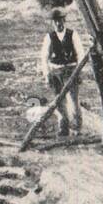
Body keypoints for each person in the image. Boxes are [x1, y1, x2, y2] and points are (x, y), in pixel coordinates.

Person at [38, 8, 85, 136]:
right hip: (55, 71)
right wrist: (47, 74)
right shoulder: (49, 37)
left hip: (71, 70)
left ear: (64, 20)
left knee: (74, 100)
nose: (58, 23)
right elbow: (44, 57)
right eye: (56, 21)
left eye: (60, 20)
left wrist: (79, 71)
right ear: (53, 23)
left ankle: (76, 128)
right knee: (59, 101)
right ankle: (63, 128)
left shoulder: (73, 34)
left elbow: (80, 53)